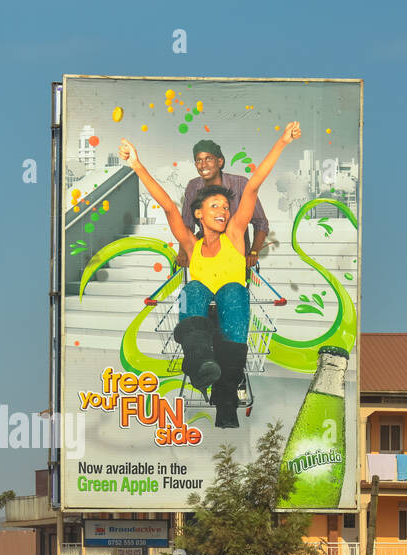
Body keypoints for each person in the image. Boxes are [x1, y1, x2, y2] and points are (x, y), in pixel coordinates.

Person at [119, 122, 300, 429]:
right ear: (199, 214)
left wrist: (282, 142)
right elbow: (167, 206)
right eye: (214, 205)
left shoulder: (234, 235)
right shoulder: (192, 243)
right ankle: (202, 361)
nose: (223, 210)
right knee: (194, 290)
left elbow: (253, 186)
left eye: (226, 207)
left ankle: (225, 399)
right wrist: (137, 165)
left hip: (231, 310)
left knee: (233, 290)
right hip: (201, 319)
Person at [176, 140, 270, 277]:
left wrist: (253, 253)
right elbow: (186, 225)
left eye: (208, 159)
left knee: (232, 295)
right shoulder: (193, 186)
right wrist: (182, 251)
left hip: (236, 257)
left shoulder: (240, 184)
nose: (203, 165)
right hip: (206, 258)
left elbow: (261, 223)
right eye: (199, 160)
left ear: (220, 162)